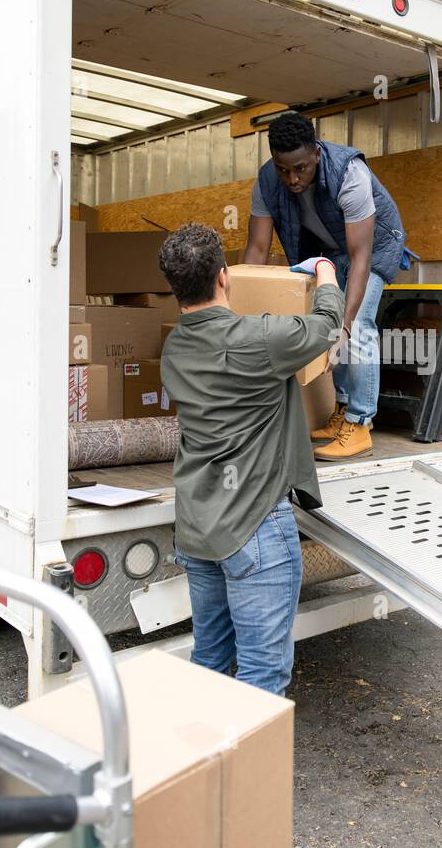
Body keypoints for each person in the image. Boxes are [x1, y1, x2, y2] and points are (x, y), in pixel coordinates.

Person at [159, 222, 344, 696]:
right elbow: (325, 326)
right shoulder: (259, 340)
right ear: (224, 276)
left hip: (198, 530)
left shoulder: (174, 349)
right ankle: (250, 772)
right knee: (262, 678)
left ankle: (206, 766)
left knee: (210, 661)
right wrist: (323, 270)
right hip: (255, 528)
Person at [244, 111, 409, 461]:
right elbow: (257, 249)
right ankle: (343, 409)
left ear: (316, 154)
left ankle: (360, 423)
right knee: (327, 325)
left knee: (357, 325)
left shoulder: (349, 173)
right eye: (283, 169)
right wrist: (240, 315)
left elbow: (360, 255)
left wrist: (345, 325)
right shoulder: (266, 181)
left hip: (374, 246)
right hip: (328, 250)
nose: (292, 178)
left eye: (300, 168)